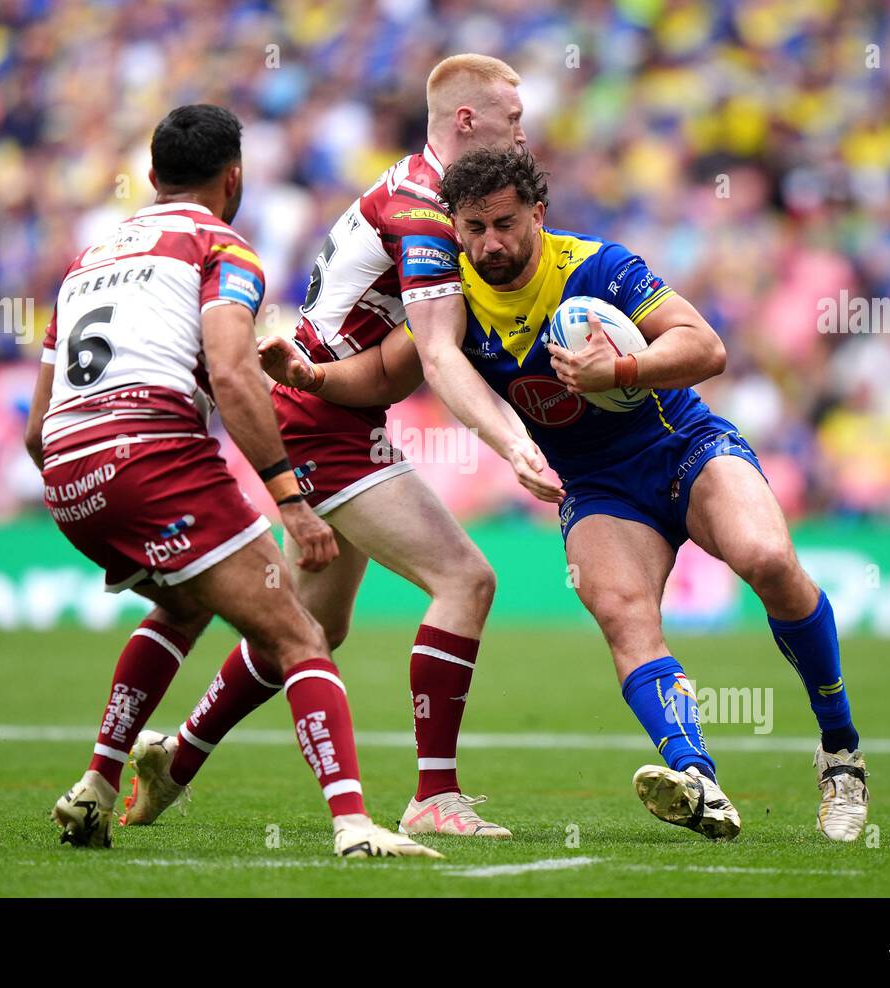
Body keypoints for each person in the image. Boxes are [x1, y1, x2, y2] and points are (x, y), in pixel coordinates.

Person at [257, 146, 870, 842]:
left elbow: (706, 348)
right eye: (475, 227)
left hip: (685, 447)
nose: (492, 242)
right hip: (597, 487)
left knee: (766, 559)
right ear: (455, 227)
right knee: (623, 615)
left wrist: (623, 367)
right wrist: (310, 378)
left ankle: (840, 751)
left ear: (537, 214)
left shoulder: (596, 266)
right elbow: (386, 375)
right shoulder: (451, 298)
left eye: (506, 223)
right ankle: (698, 778)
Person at [124, 55, 555, 841]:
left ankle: (176, 760)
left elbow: (400, 357)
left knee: (310, 631)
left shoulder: (434, 194)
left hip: (328, 409)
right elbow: (433, 355)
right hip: (321, 422)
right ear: (467, 121)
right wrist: (513, 443)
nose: (524, 130)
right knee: (466, 579)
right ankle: (433, 795)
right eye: (513, 117)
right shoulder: (425, 211)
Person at [23, 103, 438, 859]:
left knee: (183, 605)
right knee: (301, 635)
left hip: (66, 476)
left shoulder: (87, 261)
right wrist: (292, 502)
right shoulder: (220, 245)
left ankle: (97, 784)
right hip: (152, 455)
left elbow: (33, 428)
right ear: (234, 177)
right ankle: (354, 824)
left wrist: (91, 482)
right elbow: (234, 374)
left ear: (152, 177)